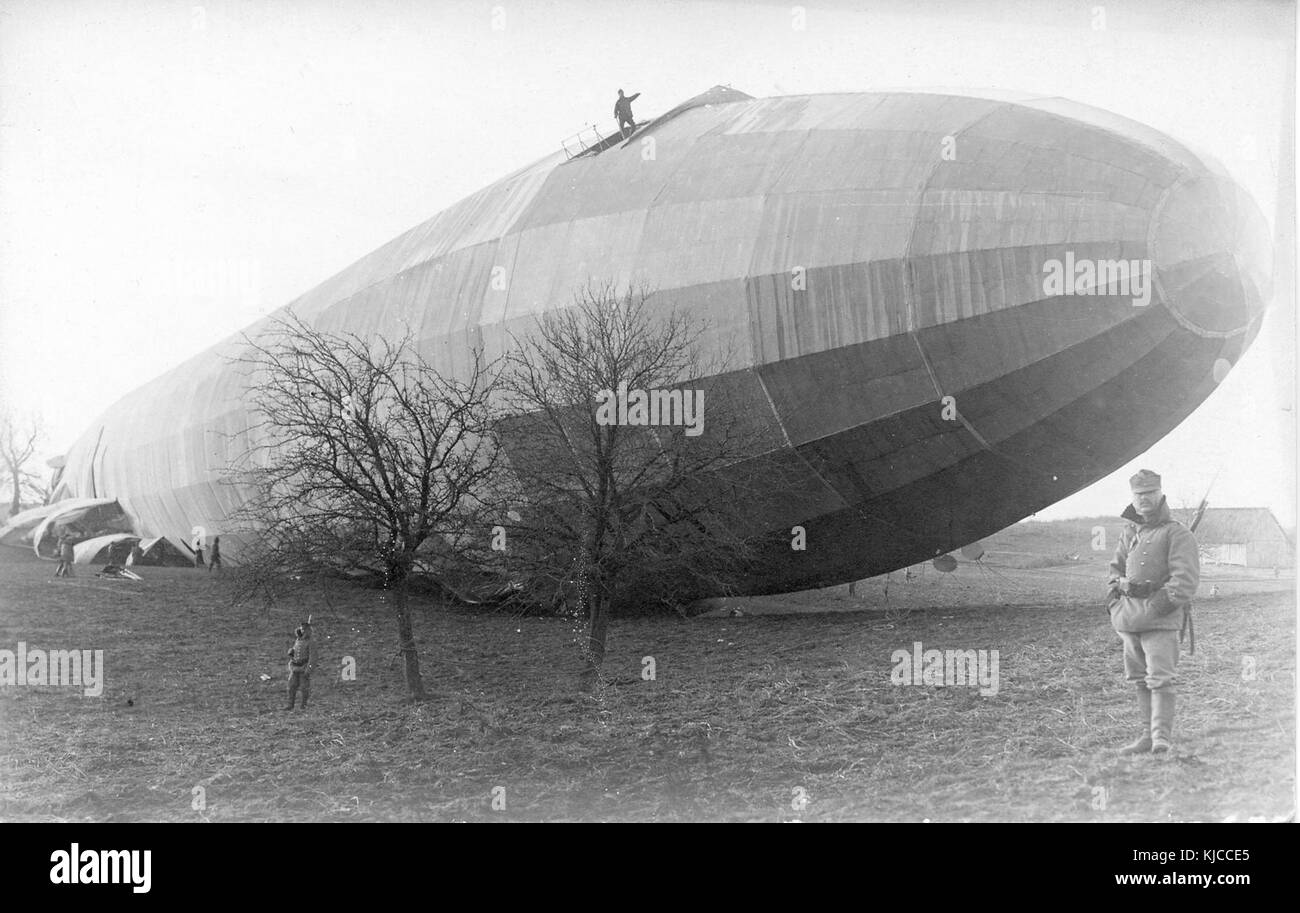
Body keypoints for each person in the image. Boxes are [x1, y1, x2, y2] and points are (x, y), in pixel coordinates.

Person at [1106, 469, 1200, 755]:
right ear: (1132, 498)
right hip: (1128, 618)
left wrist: (1159, 607)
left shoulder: (1177, 532)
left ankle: (1161, 738)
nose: (1144, 499)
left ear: (1160, 495)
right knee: (1138, 679)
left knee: (1160, 679)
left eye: (1149, 493)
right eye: (1138, 494)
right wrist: (1114, 604)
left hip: (1160, 619)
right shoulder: (1129, 532)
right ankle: (1146, 737)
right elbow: (1114, 570)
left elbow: (1184, 580)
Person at [285, 620, 314, 710]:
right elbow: (296, 651)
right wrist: (291, 652)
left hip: (304, 667)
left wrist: (308, 669)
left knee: (304, 688)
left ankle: (303, 705)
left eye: (304, 629)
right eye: (301, 629)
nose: (302, 631)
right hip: (295, 667)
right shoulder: (298, 640)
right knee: (291, 686)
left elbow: (313, 658)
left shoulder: (311, 642)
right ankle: (290, 705)